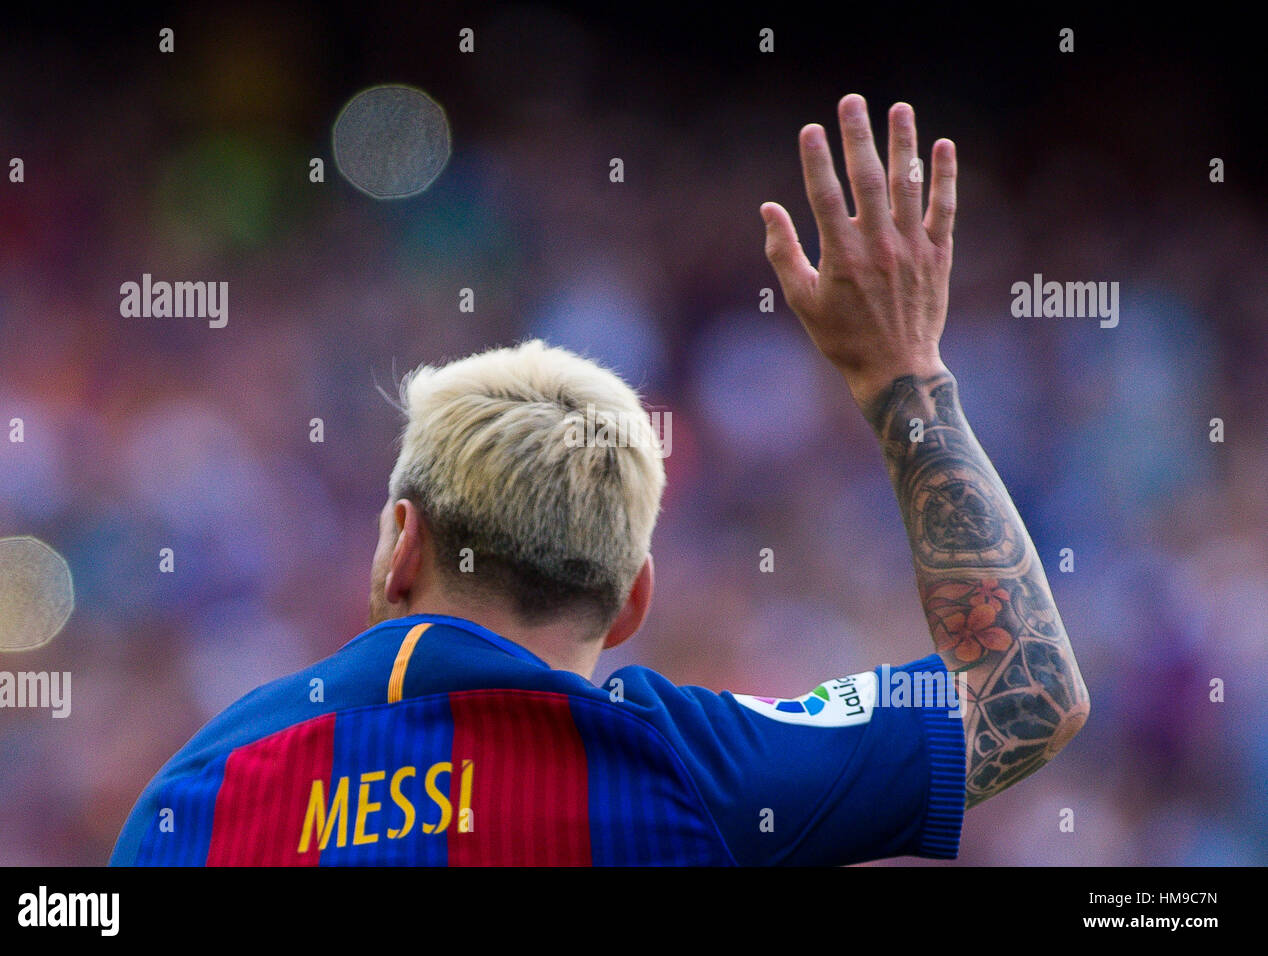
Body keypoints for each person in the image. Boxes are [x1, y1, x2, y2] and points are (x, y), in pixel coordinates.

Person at [111, 94, 1088, 866]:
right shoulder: (690, 765)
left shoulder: (201, 786)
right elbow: (1026, 696)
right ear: (632, 599)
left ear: (402, 543)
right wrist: (901, 377)